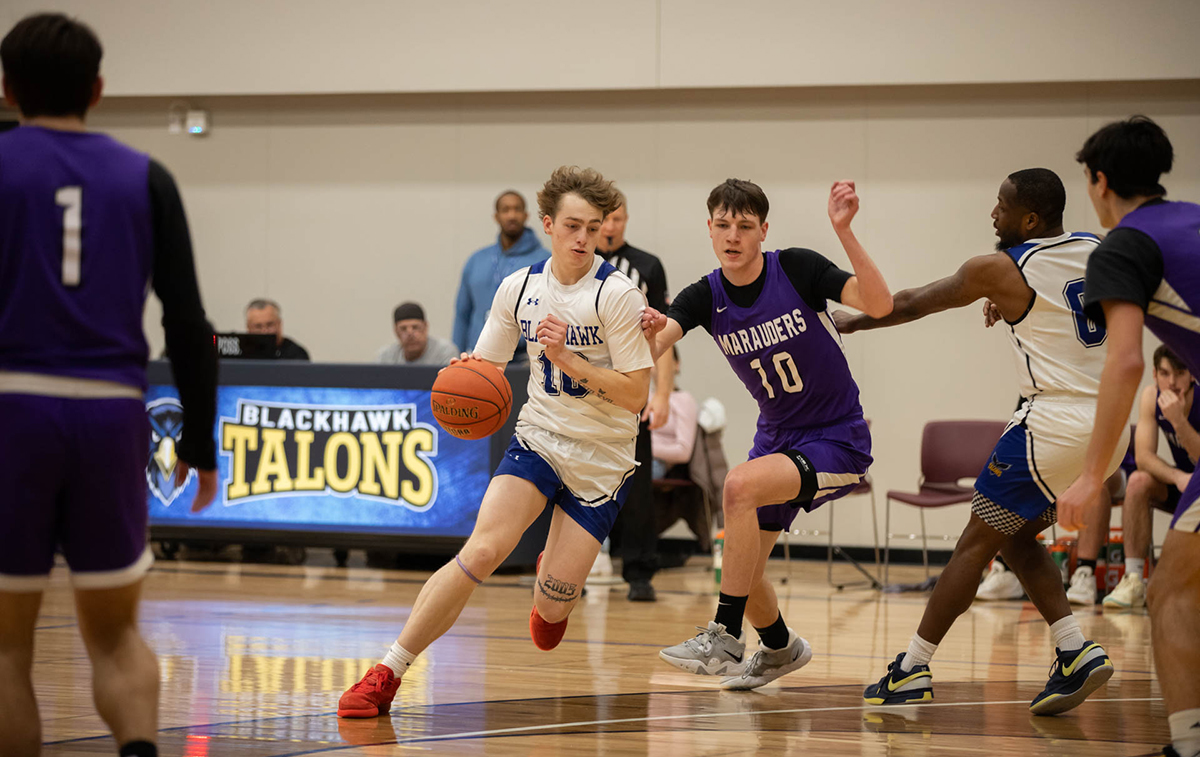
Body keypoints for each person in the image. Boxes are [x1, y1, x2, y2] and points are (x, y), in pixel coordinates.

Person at [338, 166, 652, 719]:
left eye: (594, 228)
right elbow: (487, 363)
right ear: (549, 225)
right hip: (540, 437)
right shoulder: (520, 287)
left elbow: (635, 396)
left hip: (603, 460)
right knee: (480, 551)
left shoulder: (618, 295)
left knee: (550, 618)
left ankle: (553, 591)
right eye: (573, 226)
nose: (583, 238)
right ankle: (386, 672)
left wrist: (568, 360)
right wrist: (468, 374)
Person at [0, 13, 218, 757]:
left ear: (6, 89)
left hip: (12, 409)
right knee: (118, 633)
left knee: (4, 650)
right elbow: (188, 322)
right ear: (97, 89)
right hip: (110, 415)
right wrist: (199, 440)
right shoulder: (145, 176)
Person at [835, 168, 1121, 714]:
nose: (993, 214)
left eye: (1002, 205)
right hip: (1110, 425)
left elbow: (917, 301)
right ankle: (1073, 651)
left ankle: (911, 669)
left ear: (1029, 219)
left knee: (975, 542)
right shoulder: (1096, 248)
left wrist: (856, 323)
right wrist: (1012, 305)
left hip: (1052, 424)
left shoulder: (1000, 266)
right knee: (1013, 537)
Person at [641, 178, 892, 690]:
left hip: (836, 436)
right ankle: (779, 648)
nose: (732, 235)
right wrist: (635, 332)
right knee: (745, 569)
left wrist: (843, 231)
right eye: (722, 225)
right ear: (709, 230)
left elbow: (879, 303)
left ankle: (726, 638)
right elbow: (654, 347)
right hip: (775, 438)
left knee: (737, 485)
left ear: (763, 232)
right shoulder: (705, 295)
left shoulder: (796, 267)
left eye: (744, 226)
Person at [1055, 115, 1200, 757]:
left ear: (1099, 181)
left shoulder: (1124, 245)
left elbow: (1124, 361)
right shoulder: (1192, 219)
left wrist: (1090, 474)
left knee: (1172, 591)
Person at [597, 192, 676, 601]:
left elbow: (663, 334)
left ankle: (640, 571)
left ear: (626, 220)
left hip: (631, 390)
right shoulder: (573, 264)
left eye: (618, 218)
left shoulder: (647, 265)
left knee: (637, 484)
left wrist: (662, 394)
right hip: (584, 393)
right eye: (603, 219)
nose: (610, 227)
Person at [1105, 346, 1199, 608]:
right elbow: (1144, 457)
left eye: (1180, 373)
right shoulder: (1151, 396)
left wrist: (1179, 422)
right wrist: (1178, 476)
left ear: (1192, 374)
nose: (1172, 382)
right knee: (1138, 481)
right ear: (1155, 374)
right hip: (1183, 483)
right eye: (1165, 373)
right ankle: (1134, 579)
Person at [452, 190, 548, 354]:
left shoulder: (545, 261)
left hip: (526, 358)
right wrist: (457, 352)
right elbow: (462, 313)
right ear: (496, 216)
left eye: (517, 209)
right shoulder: (476, 260)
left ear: (526, 216)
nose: (512, 215)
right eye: (505, 210)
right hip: (479, 354)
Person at [650, 347, 699, 480]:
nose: (658, 365)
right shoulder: (643, 398)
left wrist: (645, 449)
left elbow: (683, 452)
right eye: (654, 360)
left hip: (658, 463)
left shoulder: (683, 399)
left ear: (676, 365)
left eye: (663, 360)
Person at [375, 301, 459, 366]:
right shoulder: (386, 356)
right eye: (403, 329)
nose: (410, 334)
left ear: (426, 327)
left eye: (415, 327)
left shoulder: (445, 352)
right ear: (396, 331)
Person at [245, 298, 310, 360]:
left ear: (279, 324)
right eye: (258, 326)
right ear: (248, 328)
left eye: (270, 325)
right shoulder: (241, 353)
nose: (264, 331)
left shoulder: (296, 354)